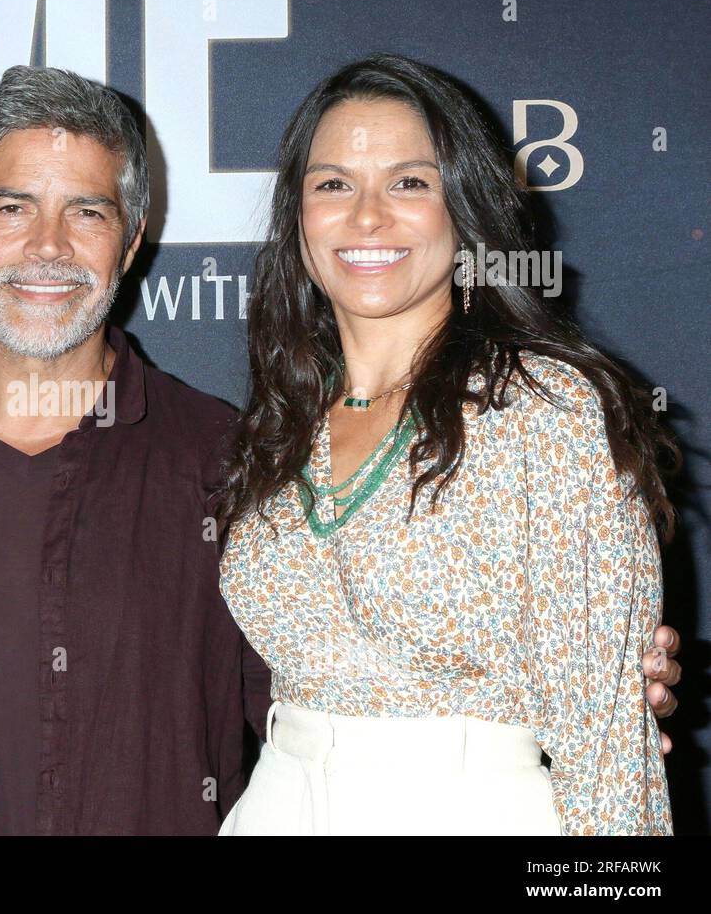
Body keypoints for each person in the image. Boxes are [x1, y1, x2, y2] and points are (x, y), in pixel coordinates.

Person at [0, 64, 683, 834]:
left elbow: (604, 741)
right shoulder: (279, 441)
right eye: (13, 207)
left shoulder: (226, 450)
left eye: (87, 211)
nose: (49, 246)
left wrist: (611, 678)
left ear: (132, 238)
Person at [217, 54, 680, 835]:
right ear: (298, 217)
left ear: (463, 210)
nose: (367, 217)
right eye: (332, 185)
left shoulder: (545, 410)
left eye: (408, 183)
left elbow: (606, 748)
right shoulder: (286, 421)